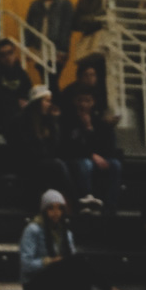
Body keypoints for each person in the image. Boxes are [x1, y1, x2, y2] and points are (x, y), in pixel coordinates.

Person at [23, 191, 146, 290]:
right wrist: (50, 261)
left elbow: (71, 260)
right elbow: (26, 265)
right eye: (51, 208)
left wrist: (61, 262)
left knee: (82, 274)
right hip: (36, 280)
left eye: (60, 208)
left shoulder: (65, 231)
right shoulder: (33, 230)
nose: (56, 212)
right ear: (44, 210)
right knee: (80, 264)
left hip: (57, 276)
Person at [62, 86, 122, 215]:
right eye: (80, 100)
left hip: (96, 158)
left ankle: (111, 205)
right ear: (74, 101)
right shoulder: (67, 120)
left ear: (93, 102)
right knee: (86, 164)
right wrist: (90, 154)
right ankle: (87, 199)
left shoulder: (98, 121)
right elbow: (69, 148)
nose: (83, 104)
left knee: (115, 164)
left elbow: (104, 147)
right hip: (76, 159)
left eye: (87, 100)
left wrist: (89, 128)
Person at [26, 0, 74, 81]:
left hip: (56, 48)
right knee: (44, 77)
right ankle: (50, 97)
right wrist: (27, 47)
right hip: (39, 46)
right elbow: (28, 25)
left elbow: (66, 29)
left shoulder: (65, 4)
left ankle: (52, 97)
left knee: (52, 79)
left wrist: (63, 50)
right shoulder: (35, 5)